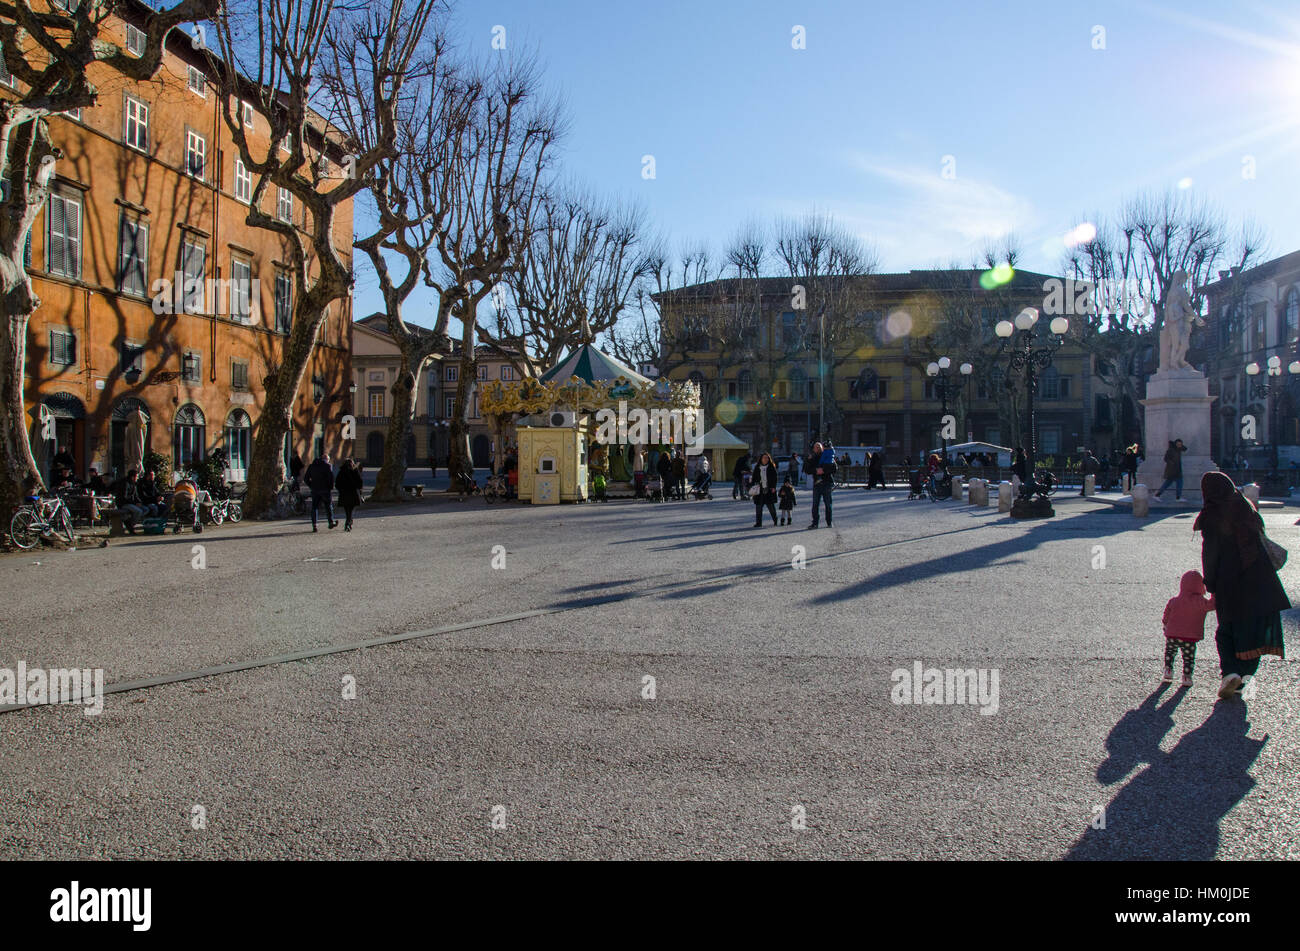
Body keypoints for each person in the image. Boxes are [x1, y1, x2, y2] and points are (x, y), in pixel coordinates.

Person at [1196, 472, 1289, 700]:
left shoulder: (1211, 514)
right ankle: (1244, 675)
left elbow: (1211, 553)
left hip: (1231, 579)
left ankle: (1231, 672)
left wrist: (1210, 583)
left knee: (1227, 630)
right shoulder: (1246, 507)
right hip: (1260, 577)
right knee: (1255, 628)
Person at [1161, 570, 1215, 688]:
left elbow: (1166, 614)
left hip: (1172, 634)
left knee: (1170, 652)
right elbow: (1212, 605)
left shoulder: (1174, 600)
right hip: (1190, 637)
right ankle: (1187, 676)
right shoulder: (1200, 601)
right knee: (1188, 658)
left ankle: (1168, 670)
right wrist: (1214, 592)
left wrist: (1165, 624)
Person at [804, 441, 836, 529]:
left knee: (828, 504)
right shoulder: (812, 458)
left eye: (819, 447)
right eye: (816, 447)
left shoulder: (827, 455)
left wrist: (824, 470)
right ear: (813, 449)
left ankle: (829, 522)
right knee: (815, 505)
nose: (817, 449)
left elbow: (834, 468)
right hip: (817, 483)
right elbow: (806, 470)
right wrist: (815, 470)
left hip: (827, 482)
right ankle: (815, 523)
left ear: (822, 448)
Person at [304, 452, 337, 532]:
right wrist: (330, 487)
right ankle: (330, 522)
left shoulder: (312, 466)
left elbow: (306, 478)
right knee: (328, 506)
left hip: (315, 489)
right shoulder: (327, 466)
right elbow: (331, 478)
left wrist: (311, 485)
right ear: (326, 460)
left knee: (314, 507)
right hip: (325, 490)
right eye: (328, 460)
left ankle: (314, 525)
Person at [111, 468, 147, 534]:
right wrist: (134, 503)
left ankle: (129, 523)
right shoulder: (125, 483)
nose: (138, 478)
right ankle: (130, 525)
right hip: (123, 504)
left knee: (146, 509)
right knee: (138, 511)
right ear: (133, 477)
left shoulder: (133, 484)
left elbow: (135, 495)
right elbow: (124, 497)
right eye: (137, 476)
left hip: (131, 503)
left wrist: (139, 502)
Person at [750, 452, 779, 528]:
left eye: (767, 458)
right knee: (758, 507)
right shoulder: (757, 467)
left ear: (769, 459)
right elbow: (754, 478)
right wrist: (753, 486)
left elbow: (775, 478)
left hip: (769, 489)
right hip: (759, 490)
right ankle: (758, 523)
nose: (765, 459)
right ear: (761, 459)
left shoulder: (771, 467)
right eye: (764, 458)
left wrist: (773, 487)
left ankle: (775, 520)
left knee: (771, 506)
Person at [336, 458, 363, 532]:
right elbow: (360, 482)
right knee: (351, 509)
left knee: (347, 510)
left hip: (344, 493)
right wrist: (359, 489)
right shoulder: (355, 471)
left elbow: (337, 483)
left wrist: (340, 490)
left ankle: (349, 522)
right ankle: (348, 523)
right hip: (353, 493)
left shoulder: (341, 471)